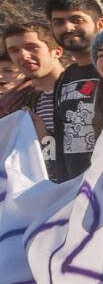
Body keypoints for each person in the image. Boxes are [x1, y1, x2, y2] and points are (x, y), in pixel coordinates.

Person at [45, 0, 103, 182]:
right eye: (58, 22)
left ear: (100, 24)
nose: (68, 28)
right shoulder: (64, 78)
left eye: (76, 20)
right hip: (76, 189)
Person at [2, 21, 66, 179]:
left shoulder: (84, 90)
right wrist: (43, 138)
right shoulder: (26, 103)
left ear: (56, 52)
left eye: (32, 47)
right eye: (14, 50)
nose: (23, 56)